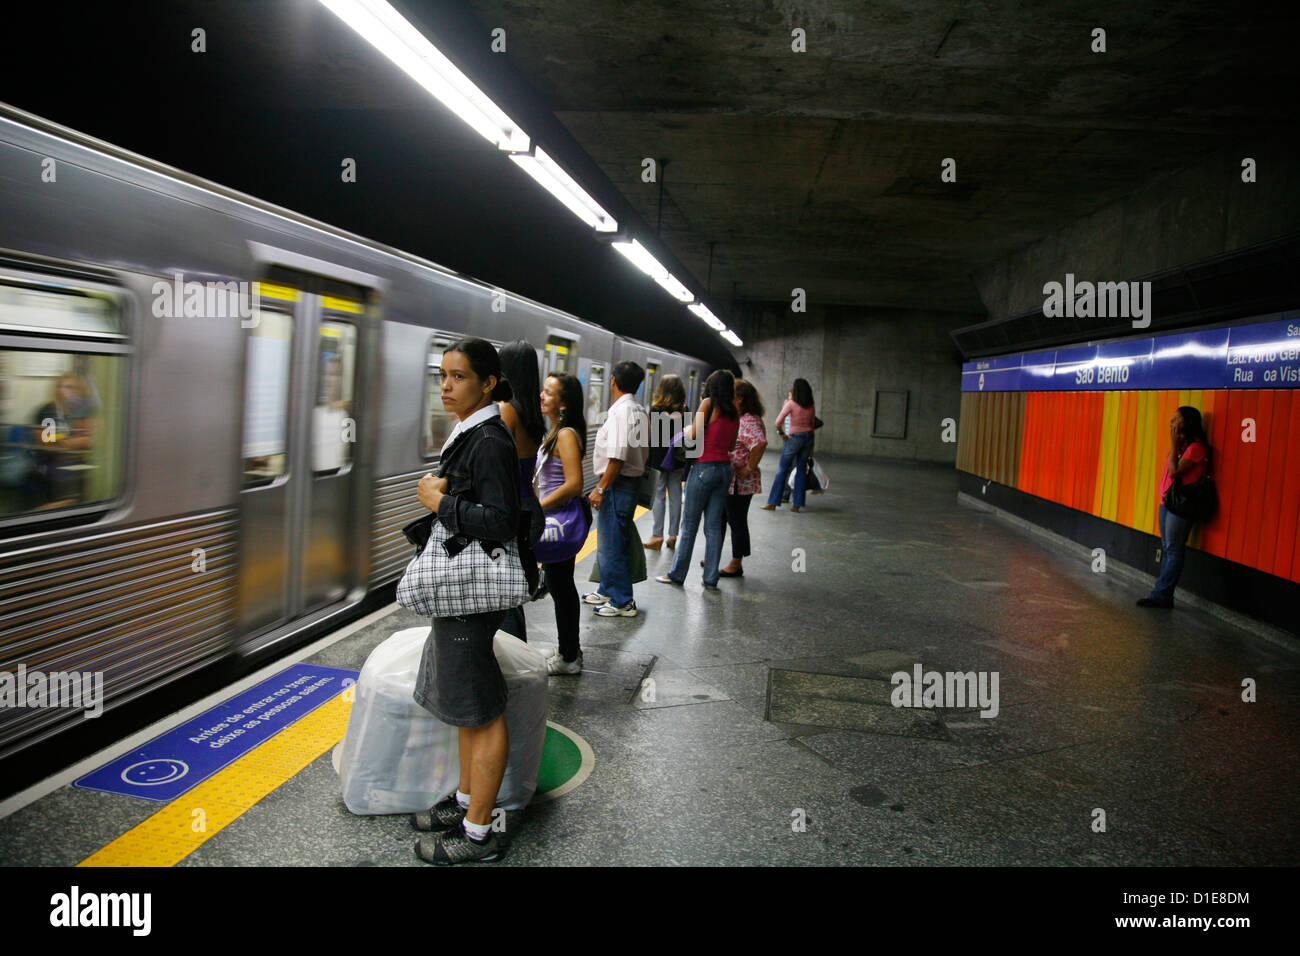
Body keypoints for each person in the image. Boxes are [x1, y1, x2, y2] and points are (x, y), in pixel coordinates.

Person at [410, 337, 522, 865]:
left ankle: (479, 834)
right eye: (443, 375)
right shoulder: (470, 432)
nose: (447, 387)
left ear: (488, 383)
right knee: (467, 708)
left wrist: (441, 502)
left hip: (471, 594)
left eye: (458, 377)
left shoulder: (490, 439)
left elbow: (502, 522)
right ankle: (463, 801)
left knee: (480, 710)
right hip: (461, 589)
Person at [656, 370, 739, 590]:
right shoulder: (734, 412)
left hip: (703, 467)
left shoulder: (708, 404)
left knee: (690, 524)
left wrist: (685, 429)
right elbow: (731, 446)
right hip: (724, 469)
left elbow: (693, 435)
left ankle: (677, 574)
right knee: (713, 527)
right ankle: (711, 578)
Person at [584, 361, 649, 617]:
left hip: (617, 484)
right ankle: (607, 588)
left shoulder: (623, 412)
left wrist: (600, 488)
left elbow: (617, 457)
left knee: (612, 544)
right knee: (613, 540)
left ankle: (623, 600)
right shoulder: (638, 409)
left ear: (613, 382)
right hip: (625, 484)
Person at [536, 372, 588, 673]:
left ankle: (569, 656)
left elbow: (574, 484)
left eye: (549, 392)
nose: (542, 396)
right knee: (559, 585)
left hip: (559, 519)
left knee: (561, 587)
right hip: (554, 516)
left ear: (564, 402)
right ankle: (569, 651)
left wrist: (538, 506)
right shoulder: (557, 431)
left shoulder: (566, 434)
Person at [1138, 406, 1210, 609]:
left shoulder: (1195, 448)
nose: (1171, 422)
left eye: (1176, 419)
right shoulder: (1182, 446)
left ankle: (1162, 594)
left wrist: (1173, 443)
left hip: (1180, 507)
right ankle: (1162, 592)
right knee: (1168, 548)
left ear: (1188, 423)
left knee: (1173, 549)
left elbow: (1175, 472)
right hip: (1167, 502)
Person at [496, 341, 545, 642]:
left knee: (504, 590)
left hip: (512, 508)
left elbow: (496, 461)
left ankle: (513, 664)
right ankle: (518, 659)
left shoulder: (507, 410)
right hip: (530, 507)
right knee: (513, 586)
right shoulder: (532, 411)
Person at [718, 379, 767, 578]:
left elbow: (760, 443)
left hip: (740, 482)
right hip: (734, 482)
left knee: (736, 520)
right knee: (725, 517)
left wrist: (749, 467)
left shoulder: (749, 420)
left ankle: (736, 563)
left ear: (739, 399)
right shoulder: (746, 418)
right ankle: (719, 557)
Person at [32, 372, 93, 505]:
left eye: (72, 387)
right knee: (63, 479)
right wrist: (73, 442)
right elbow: (47, 443)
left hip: (77, 458)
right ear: (57, 390)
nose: (67, 391)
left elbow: (91, 438)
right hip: (52, 461)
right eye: (64, 387)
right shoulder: (48, 411)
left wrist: (66, 442)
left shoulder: (79, 411)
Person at [645, 374, 688, 551]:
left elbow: (651, 436)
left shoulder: (655, 410)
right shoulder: (685, 410)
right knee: (676, 494)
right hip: (677, 459)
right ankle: (673, 535)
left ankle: (657, 535)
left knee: (659, 495)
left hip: (658, 459)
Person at [762, 377, 816, 512]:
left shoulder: (791, 404)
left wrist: (781, 434)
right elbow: (812, 425)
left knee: (782, 470)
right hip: (808, 438)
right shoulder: (811, 405)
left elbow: (778, 422)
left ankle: (773, 502)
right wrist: (812, 448)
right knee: (801, 471)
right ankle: (797, 504)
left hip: (794, 438)